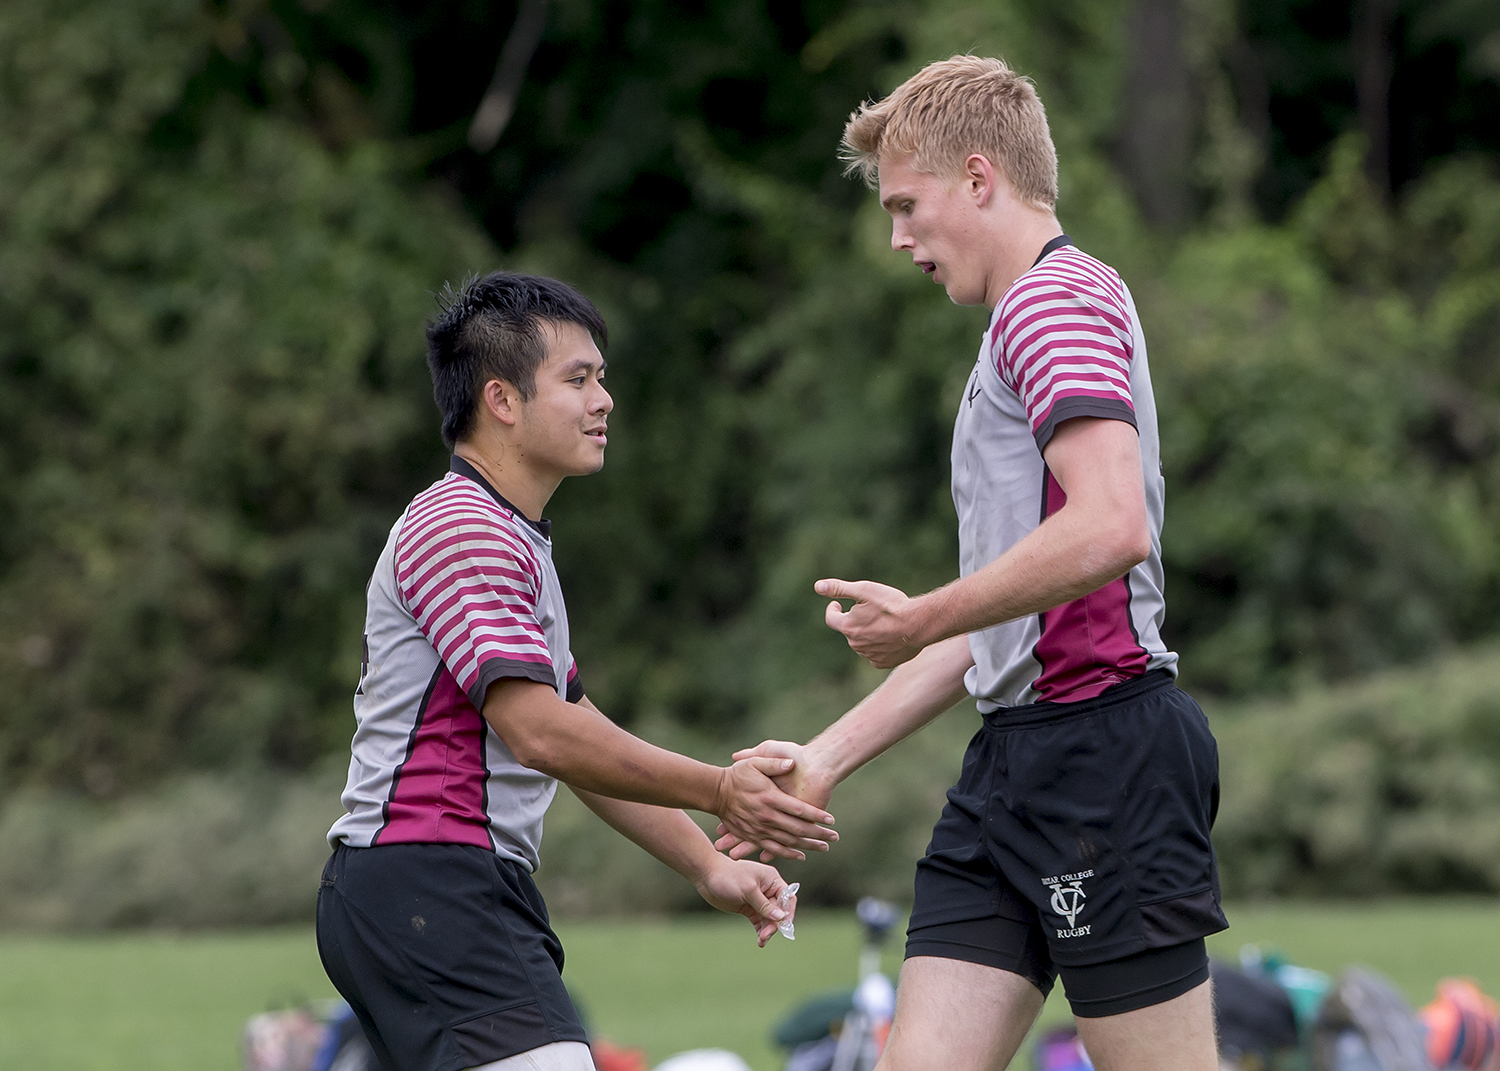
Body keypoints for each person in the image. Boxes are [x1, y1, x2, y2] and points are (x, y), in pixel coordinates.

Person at [725, 57, 1227, 1071]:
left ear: (980, 177)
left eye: (907, 206)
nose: (897, 238)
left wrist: (924, 614)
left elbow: (1113, 524)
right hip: (1012, 764)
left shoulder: (1051, 303)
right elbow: (1006, 625)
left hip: (1104, 753)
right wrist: (827, 757)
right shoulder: (1022, 321)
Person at [317, 271, 835, 1071]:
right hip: (431, 881)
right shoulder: (464, 526)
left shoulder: (510, 535)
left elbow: (574, 729)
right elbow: (540, 734)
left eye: (601, 378)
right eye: (579, 379)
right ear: (501, 399)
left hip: (432, 886)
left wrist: (708, 862)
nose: (604, 400)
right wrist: (719, 789)